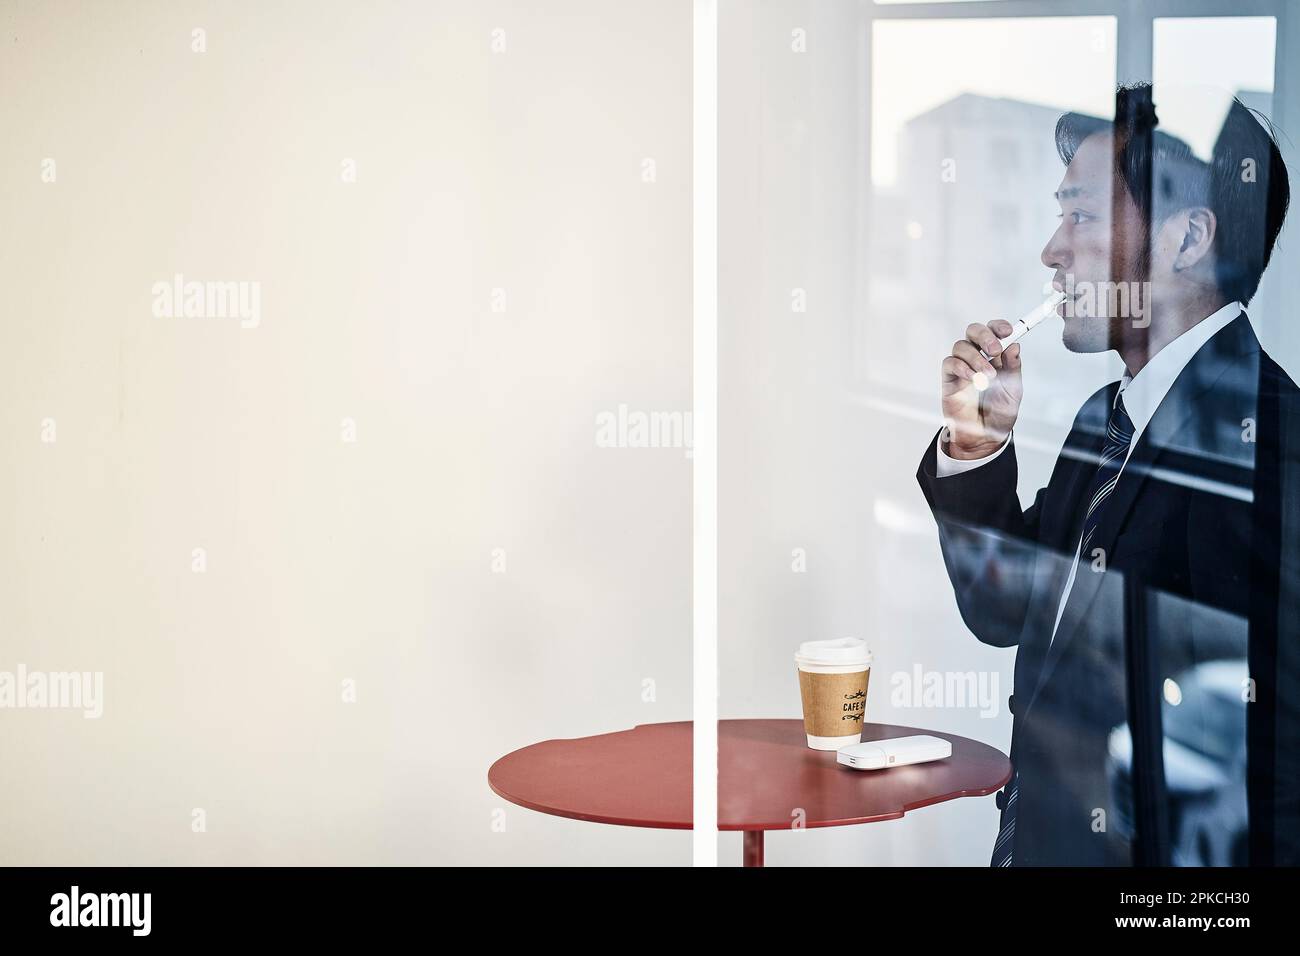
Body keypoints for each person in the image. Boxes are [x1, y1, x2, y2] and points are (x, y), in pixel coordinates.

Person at [916, 82, 1299, 865]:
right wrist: (975, 443)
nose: (1052, 250)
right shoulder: (1105, 415)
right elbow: (1006, 609)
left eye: (1081, 216)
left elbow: (1265, 772)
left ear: (1189, 240)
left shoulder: (1265, 442)